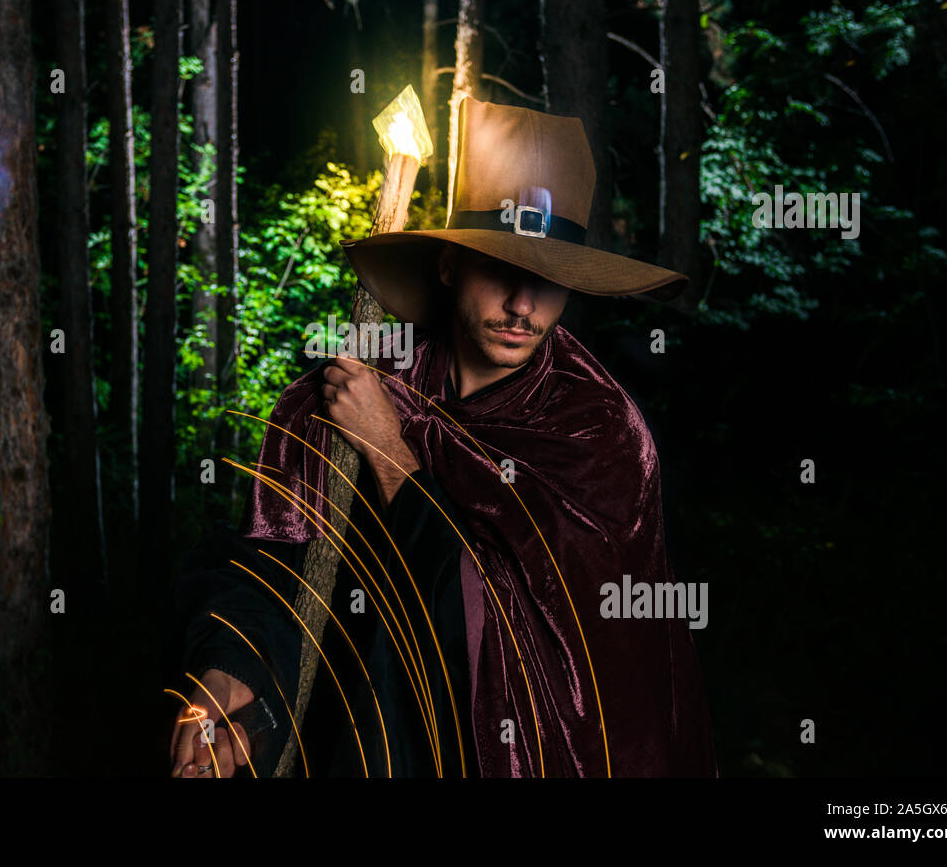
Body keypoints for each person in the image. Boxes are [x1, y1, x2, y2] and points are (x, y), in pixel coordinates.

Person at [169, 96, 716, 778]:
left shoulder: (599, 433)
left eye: (547, 281)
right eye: (501, 270)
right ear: (451, 265)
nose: (523, 305)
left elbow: (513, 644)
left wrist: (393, 452)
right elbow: (273, 561)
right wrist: (234, 673)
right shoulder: (358, 390)